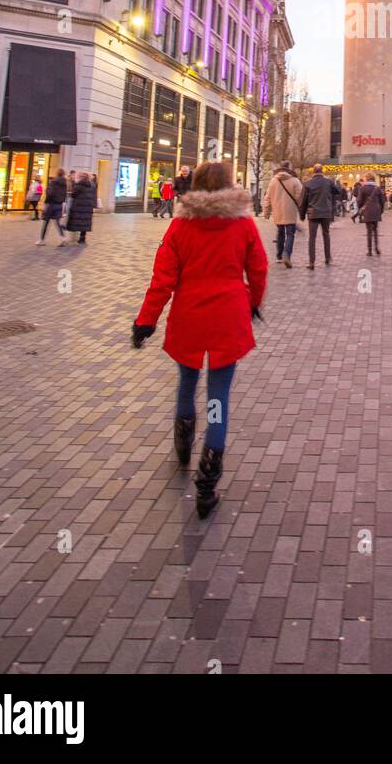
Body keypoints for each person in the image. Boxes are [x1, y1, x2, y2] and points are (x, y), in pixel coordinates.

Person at [132, 160, 267, 517]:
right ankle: (207, 481)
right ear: (228, 185)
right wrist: (252, 302)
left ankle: (182, 442)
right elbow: (258, 268)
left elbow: (162, 277)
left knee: (186, 381)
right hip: (228, 316)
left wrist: (145, 322)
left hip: (189, 314)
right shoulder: (243, 224)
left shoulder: (180, 226)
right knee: (218, 396)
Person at [298, 163, 340, 269]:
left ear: (314, 172)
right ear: (322, 171)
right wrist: (334, 182)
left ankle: (311, 262)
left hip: (313, 214)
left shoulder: (308, 184)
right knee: (326, 235)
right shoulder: (328, 182)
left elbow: (303, 201)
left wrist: (302, 215)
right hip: (326, 213)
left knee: (312, 237)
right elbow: (337, 191)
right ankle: (327, 258)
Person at [263, 162, 303, 269]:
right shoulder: (295, 180)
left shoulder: (273, 181)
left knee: (280, 232)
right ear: (289, 169)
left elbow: (267, 198)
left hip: (277, 212)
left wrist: (266, 212)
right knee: (290, 234)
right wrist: (302, 210)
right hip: (290, 211)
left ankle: (279, 255)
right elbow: (300, 198)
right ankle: (287, 253)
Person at [36, 169, 68, 245]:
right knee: (57, 222)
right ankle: (62, 237)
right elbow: (64, 195)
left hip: (51, 204)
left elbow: (50, 193)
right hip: (59, 204)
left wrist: (46, 202)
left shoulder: (53, 182)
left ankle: (41, 240)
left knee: (45, 222)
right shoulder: (64, 183)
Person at [356, 174, 385, 257]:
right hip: (376, 211)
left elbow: (359, 201)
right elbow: (382, 201)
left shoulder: (363, 188)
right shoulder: (378, 188)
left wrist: (361, 208)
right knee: (375, 230)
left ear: (367, 179)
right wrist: (381, 211)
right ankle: (376, 247)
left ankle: (369, 251)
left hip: (367, 211)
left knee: (369, 231)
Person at [65, 171, 95, 245]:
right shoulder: (92, 185)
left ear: (80, 177)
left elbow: (74, 194)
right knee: (84, 222)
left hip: (79, 206)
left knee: (77, 221)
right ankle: (82, 238)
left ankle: (73, 237)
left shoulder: (79, 185)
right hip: (88, 206)